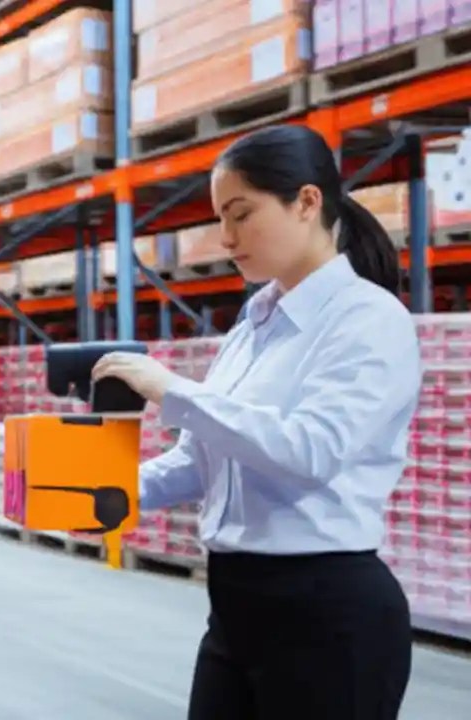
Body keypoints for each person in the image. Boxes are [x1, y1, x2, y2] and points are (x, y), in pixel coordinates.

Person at [92, 124, 421, 719]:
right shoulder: (254, 326)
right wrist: (111, 491)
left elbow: (311, 450)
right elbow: (204, 457)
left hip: (326, 615)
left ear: (307, 201)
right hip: (236, 608)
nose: (226, 237)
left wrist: (172, 390)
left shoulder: (369, 319)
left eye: (241, 214)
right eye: (221, 217)